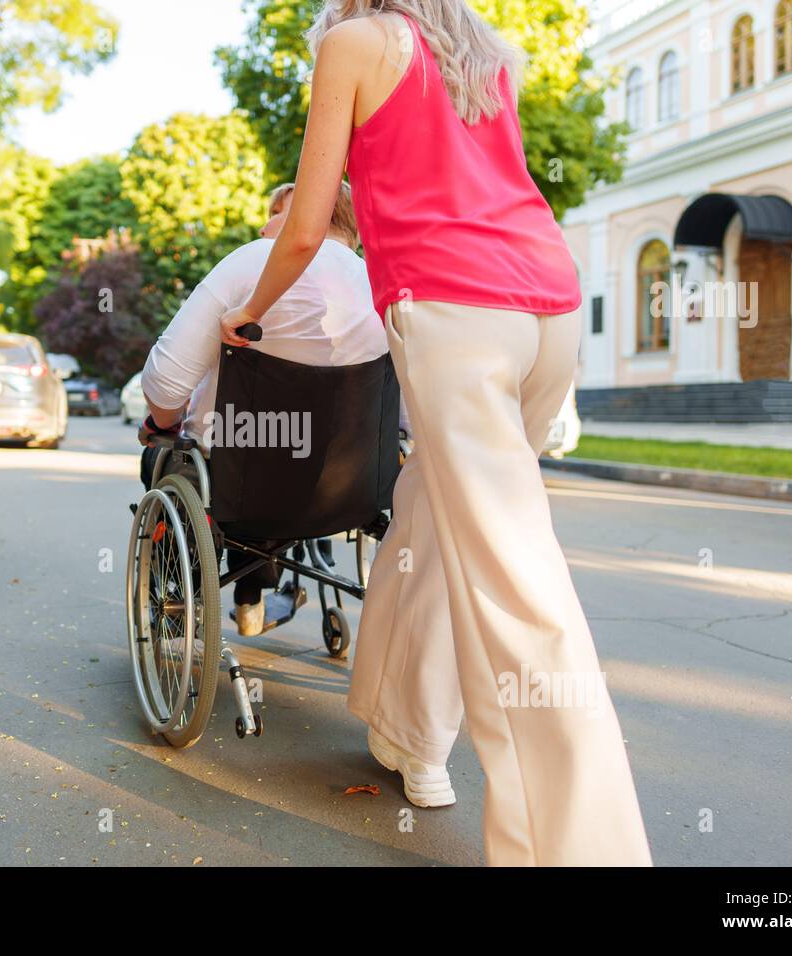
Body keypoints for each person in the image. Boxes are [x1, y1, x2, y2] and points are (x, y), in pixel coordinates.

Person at [215, 0, 652, 866]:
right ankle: (411, 734)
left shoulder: (350, 43)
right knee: (427, 523)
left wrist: (249, 315)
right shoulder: (483, 53)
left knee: (519, 587)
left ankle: (580, 850)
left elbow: (307, 226)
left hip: (456, 314)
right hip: (548, 309)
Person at [137, 180, 385, 636]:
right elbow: (405, 411)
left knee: (170, 455)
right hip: (350, 490)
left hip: (239, 479)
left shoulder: (252, 261)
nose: (264, 224)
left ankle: (175, 590)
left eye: (276, 213)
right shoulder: (385, 284)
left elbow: (167, 384)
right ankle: (253, 597)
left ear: (305, 219)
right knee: (254, 461)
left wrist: (160, 423)